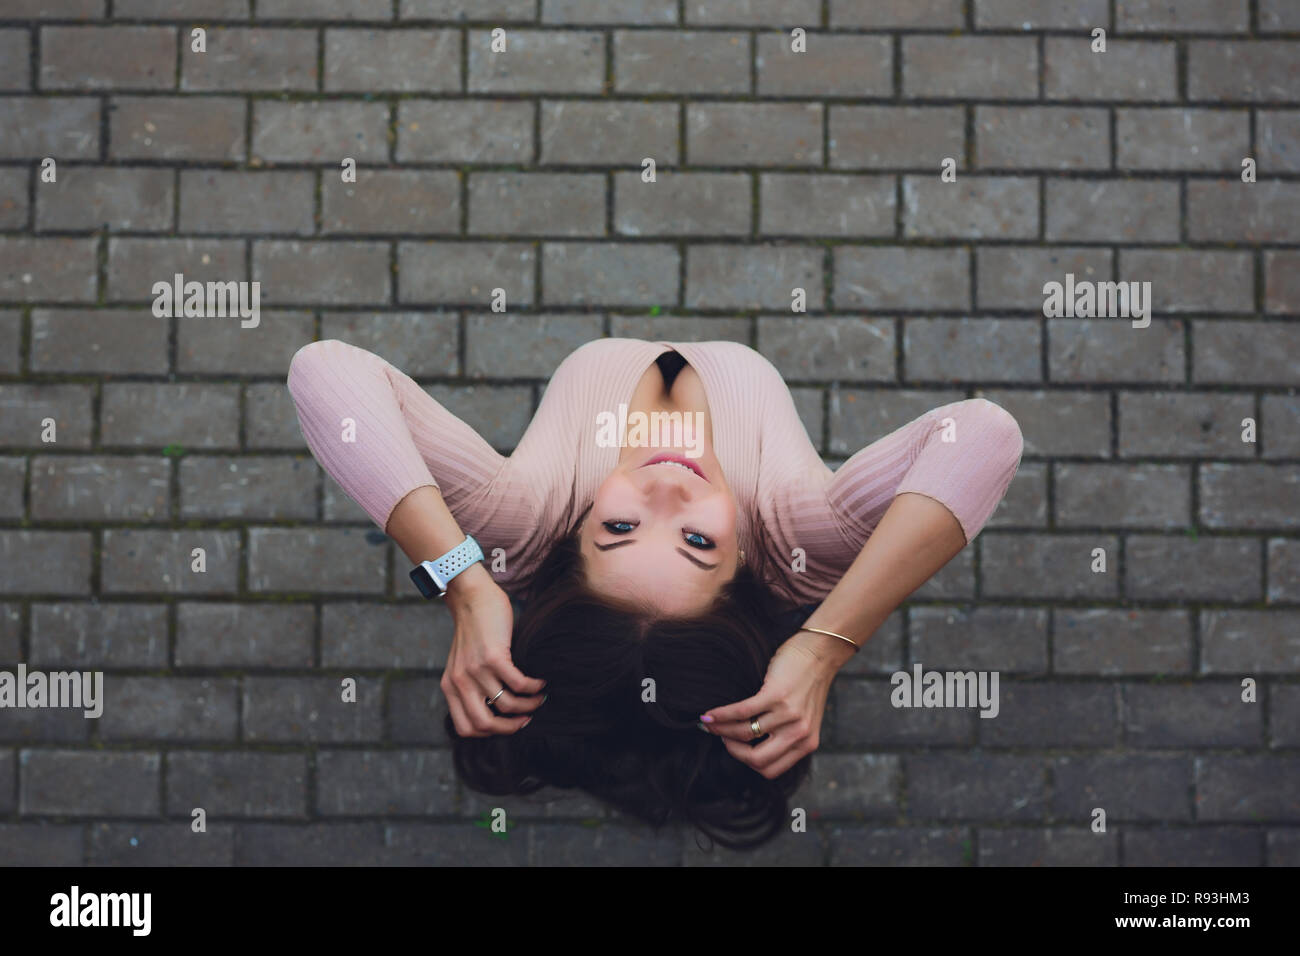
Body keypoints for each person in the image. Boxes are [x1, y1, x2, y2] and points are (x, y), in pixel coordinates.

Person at [287, 336, 1023, 849]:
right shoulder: (794, 540)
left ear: (569, 538)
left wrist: (467, 585)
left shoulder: (522, 527)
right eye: (698, 542)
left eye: (618, 526)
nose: (667, 488)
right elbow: (985, 433)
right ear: (748, 570)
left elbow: (324, 370)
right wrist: (822, 648)